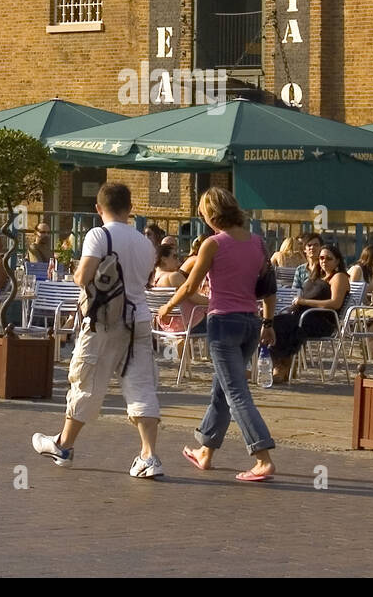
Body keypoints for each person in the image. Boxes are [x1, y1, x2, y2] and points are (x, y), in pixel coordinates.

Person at [32, 182, 162, 477]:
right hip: (139, 319)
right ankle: (149, 455)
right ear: (130, 209)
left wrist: (80, 271)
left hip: (104, 320)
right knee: (141, 384)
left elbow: (83, 277)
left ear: (98, 209)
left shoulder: (98, 235)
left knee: (86, 381)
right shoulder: (146, 243)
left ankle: (64, 445)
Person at [158, 187, 276, 481]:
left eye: (202, 212)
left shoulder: (213, 244)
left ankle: (262, 457)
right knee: (223, 389)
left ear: (212, 214)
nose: (202, 218)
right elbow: (269, 289)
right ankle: (206, 451)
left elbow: (189, 286)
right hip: (250, 322)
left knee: (236, 392)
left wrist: (167, 307)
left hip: (223, 323)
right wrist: (269, 323)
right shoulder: (258, 243)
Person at [269, 244, 350, 384]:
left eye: (329, 258)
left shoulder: (339, 277)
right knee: (273, 322)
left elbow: (335, 303)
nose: (324, 261)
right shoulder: (317, 277)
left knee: (284, 324)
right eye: (322, 258)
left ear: (337, 261)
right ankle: (282, 364)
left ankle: (283, 366)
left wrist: (305, 302)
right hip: (305, 316)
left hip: (322, 321)